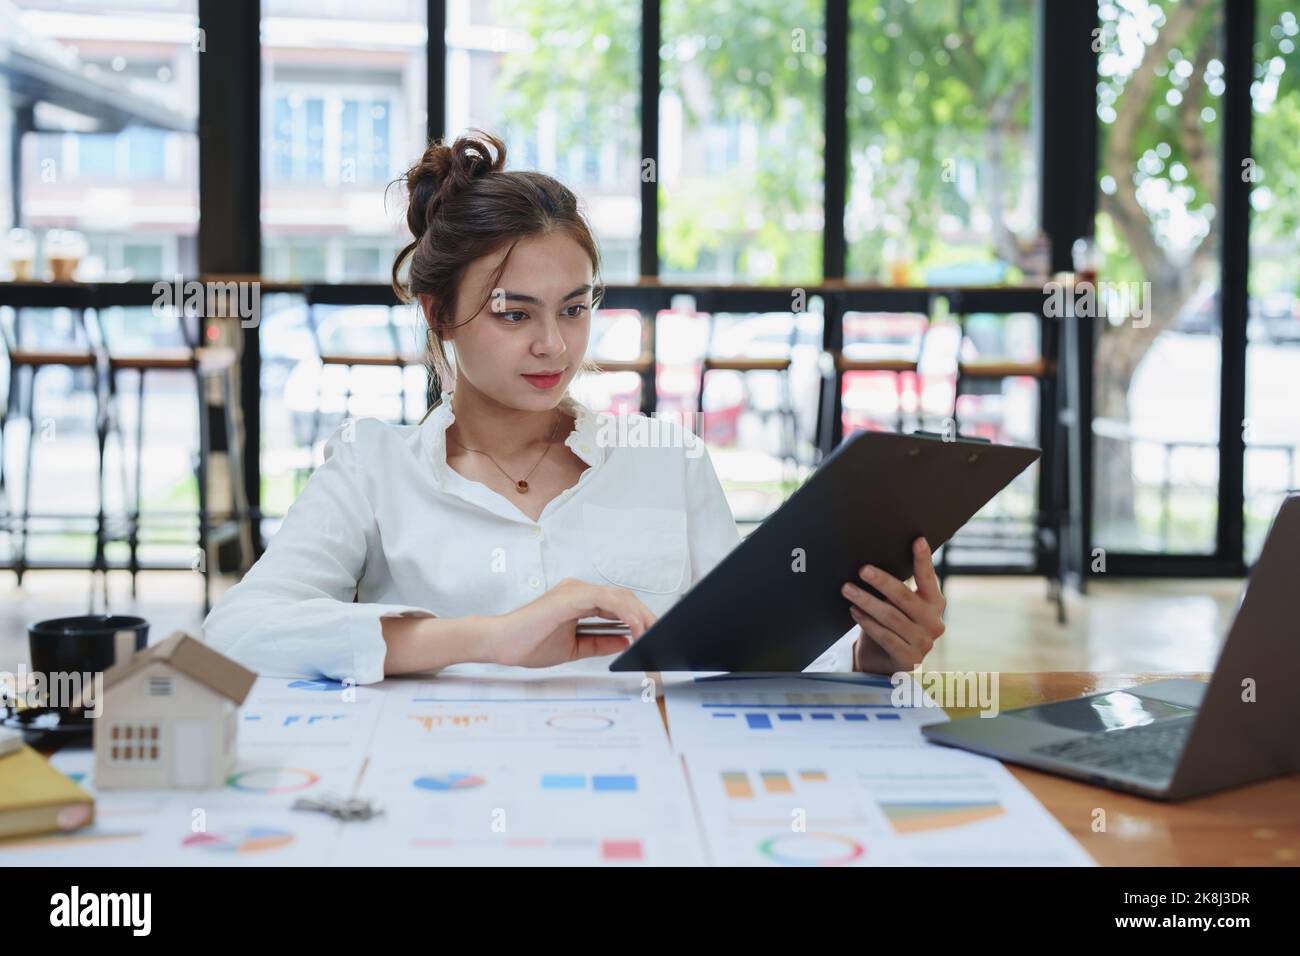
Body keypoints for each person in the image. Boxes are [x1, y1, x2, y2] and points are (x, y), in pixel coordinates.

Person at [201, 130, 946, 684]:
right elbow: (235, 635)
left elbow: (745, 665)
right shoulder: (373, 467)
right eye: (513, 314)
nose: (554, 346)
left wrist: (874, 658)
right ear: (437, 314)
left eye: (575, 308)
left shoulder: (667, 459)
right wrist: (487, 637)